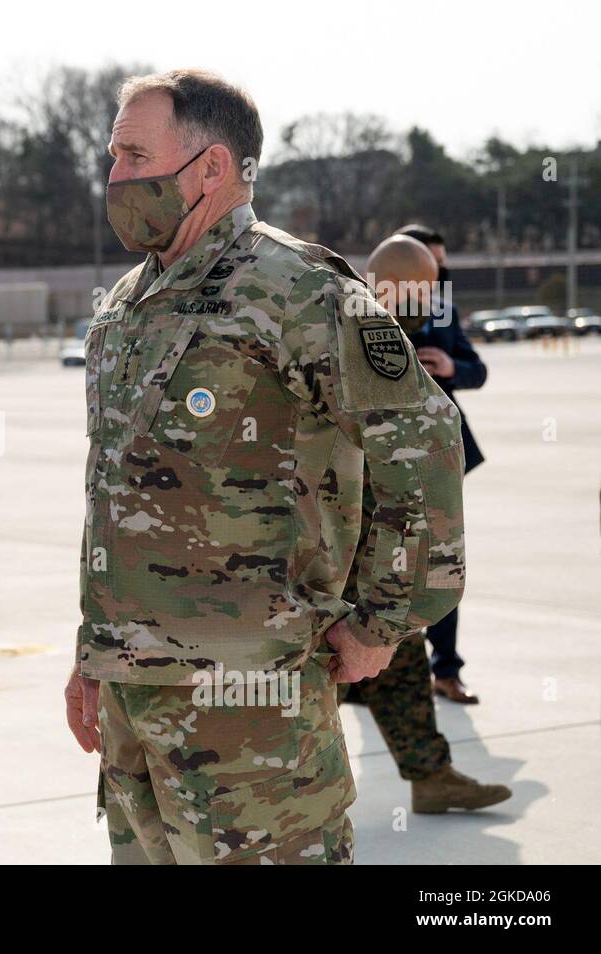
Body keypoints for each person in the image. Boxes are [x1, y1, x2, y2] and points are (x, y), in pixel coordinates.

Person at [64, 69, 466, 864]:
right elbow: (111, 496)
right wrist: (91, 655)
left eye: (133, 154)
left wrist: (383, 621)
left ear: (210, 168)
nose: (115, 177)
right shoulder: (123, 305)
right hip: (133, 703)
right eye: (112, 156)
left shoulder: (297, 287)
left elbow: (422, 442)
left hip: (254, 710)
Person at [340, 235, 509, 813]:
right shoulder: (368, 342)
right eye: (428, 288)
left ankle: (431, 776)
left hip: (353, 550)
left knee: (399, 657)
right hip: (340, 551)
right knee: (321, 669)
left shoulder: (358, 329)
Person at [394, 224, 488, 704]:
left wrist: (452, 368)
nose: (438, 273)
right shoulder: (367, 309)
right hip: (383, 458)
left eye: (442, 266)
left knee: (442, 567)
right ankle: (384, 677)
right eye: (429, 265)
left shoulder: (444, 310)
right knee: (386, 568)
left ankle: (446, 671)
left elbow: (478, 370)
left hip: (442, 454)